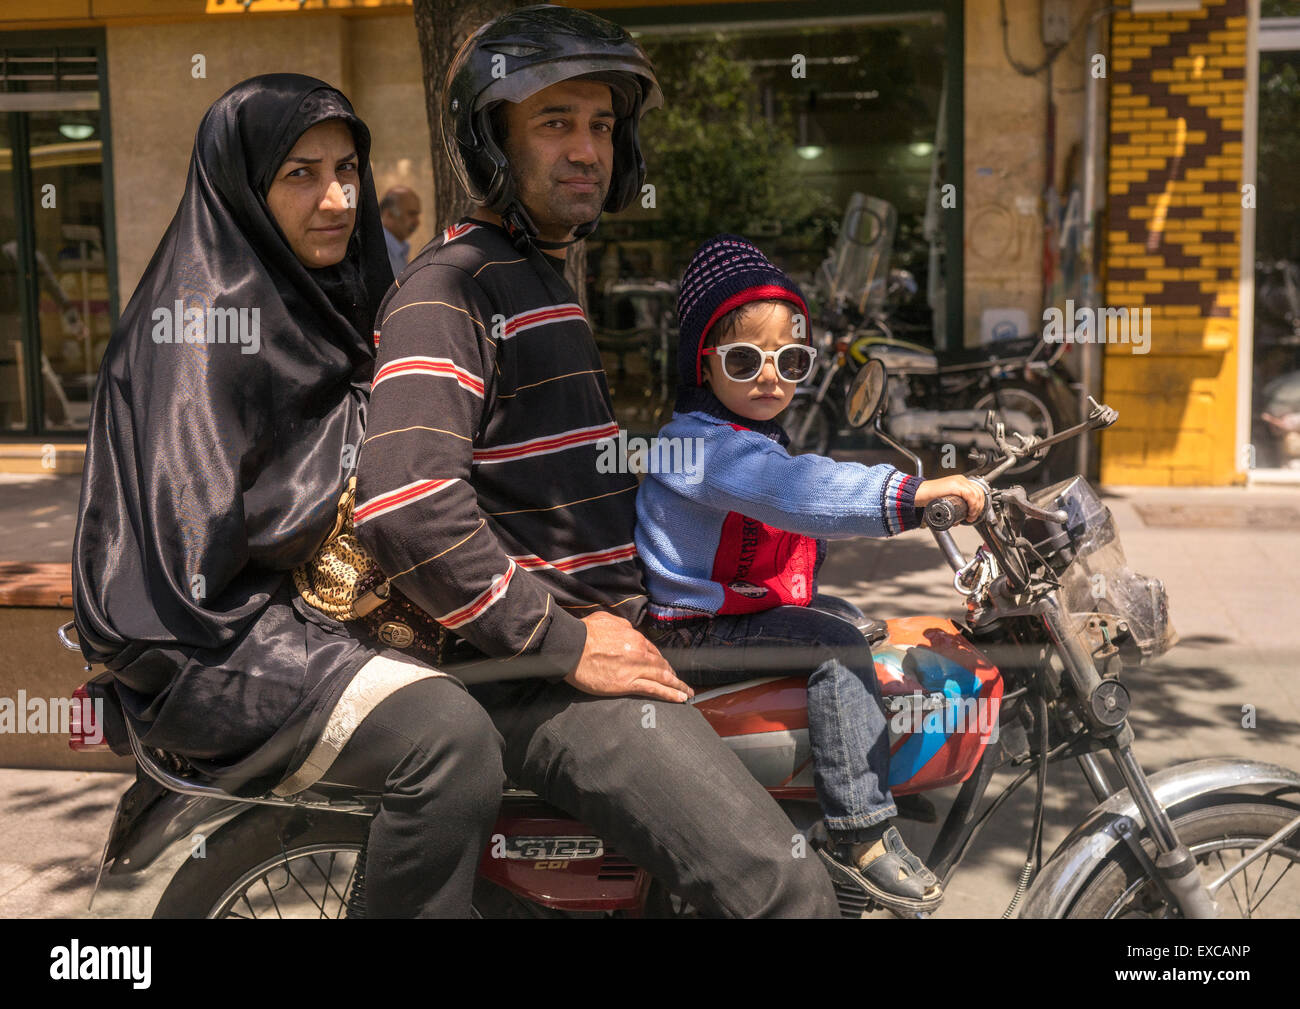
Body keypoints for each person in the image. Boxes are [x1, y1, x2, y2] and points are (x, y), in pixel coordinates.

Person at [354, 5, 839, 917]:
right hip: (536, 679)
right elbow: (407, 503)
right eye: (554, 123)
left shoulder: (544, 279)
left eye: (602, 126)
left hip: (612, 635)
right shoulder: (449, 290)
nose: (587, 150)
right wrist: (565, 638)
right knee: (782, 885)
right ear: (492, 138)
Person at [71, 74, 506, 917]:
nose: (338, 197)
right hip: (214, 638)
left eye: (347, 169)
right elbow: (188, 549)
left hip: (311, 612)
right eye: (300, 174)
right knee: (446, 742)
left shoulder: (343, 291)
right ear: (244, 185)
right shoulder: (203, 325)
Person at [635, 234, 987, 915]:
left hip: (732, 613)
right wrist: (911, 495)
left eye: (790, 360)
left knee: (847, 618)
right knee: (837, 642)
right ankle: (861, 832)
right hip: (690, 628)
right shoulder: (698, 444)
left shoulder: (742, 434)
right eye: (746, 359)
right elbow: (801, 491)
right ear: (702, 364)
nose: (771, 377)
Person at [379, 185, 421, 278]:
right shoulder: (377, 250)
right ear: (389, 215)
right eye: (411, 214)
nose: (417, 222)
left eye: (417, 215)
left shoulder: (400, 248)